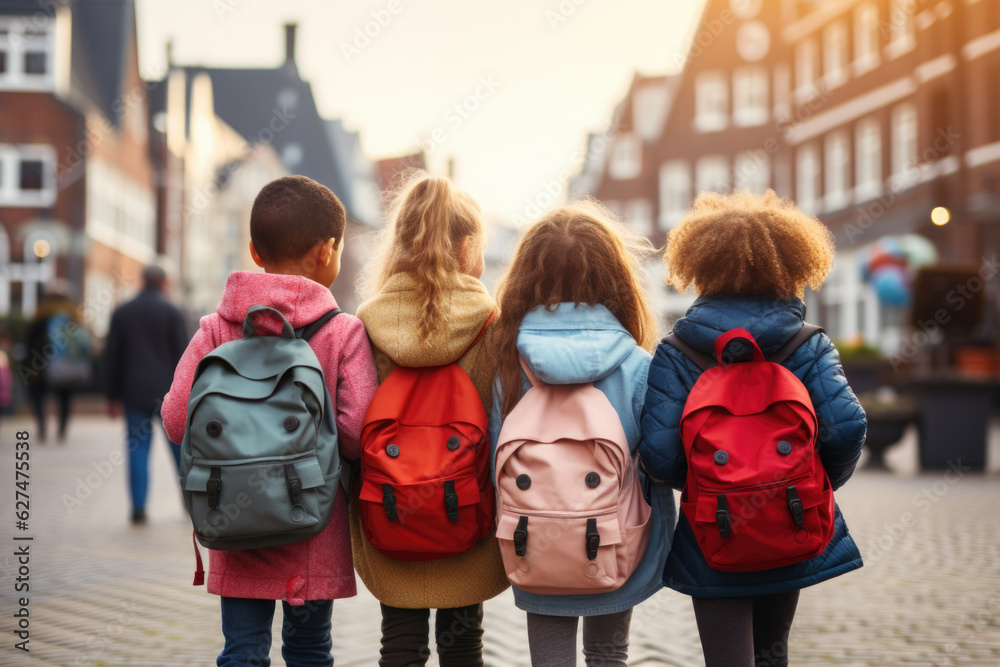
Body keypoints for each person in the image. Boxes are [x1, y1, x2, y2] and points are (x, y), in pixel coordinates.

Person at [640, 190, 867, 667]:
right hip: (790, 514)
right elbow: (846, 429)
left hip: (713, 527)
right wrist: (804, 479)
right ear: (791, 265)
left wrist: (715, 480)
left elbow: (659, 456)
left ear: (700, 266)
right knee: (772, 655)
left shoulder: (677, 351)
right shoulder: (808, 346)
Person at [160, 175, 378, 667]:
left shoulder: (217, 329)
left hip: (232, 519)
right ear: (328, 252)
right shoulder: (342, 332)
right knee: (308, 651)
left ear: (255, 251)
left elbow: (176, 421)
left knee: (242, 651)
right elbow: (357, 433)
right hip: (310, 524)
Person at [488, 201, 675, 667]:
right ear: (615, 279)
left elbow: (492, 453)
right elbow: (659, 458)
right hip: (614, 541)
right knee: (609, 653)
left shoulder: (508, 366)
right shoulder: (636, 365)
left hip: (533, 538)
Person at [350, 172, 509, 667]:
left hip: (391, 509)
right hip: (466, 509)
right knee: (464, 645)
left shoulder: (367, 322)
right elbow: (503, 422)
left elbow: (354, 425)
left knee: (399, 643)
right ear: (467, 247)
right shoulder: (491, 323)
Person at [102, 264, 189, 525]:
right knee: (179, 450)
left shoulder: (122, 312)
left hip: (134, 393)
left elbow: (111, 357)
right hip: (167, 395)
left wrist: (111, 395)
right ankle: (189, 503)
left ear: (142, 281)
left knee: (137, 449)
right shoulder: (172, 312)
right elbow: (185, 358)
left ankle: (138, 507)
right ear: (164, 283)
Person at [23, 288, 89, 443]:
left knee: (38, 396)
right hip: (67, 366)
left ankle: (42, 426)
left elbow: (29, 343)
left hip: (39, 365)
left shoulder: (41, 316)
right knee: (65, 398)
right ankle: (62, 429)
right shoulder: (73, 317)